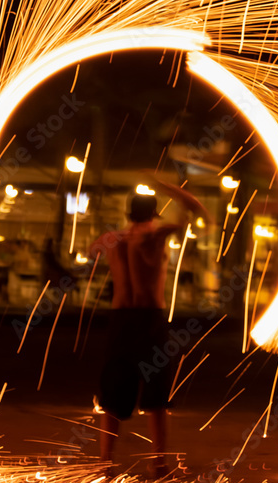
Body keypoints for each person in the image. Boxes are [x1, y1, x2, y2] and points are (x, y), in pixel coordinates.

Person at [88, 178, 211, 478]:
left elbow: (91, 253)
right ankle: (158, 462)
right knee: (157, 395)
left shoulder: (111, 239)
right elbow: (198, 210)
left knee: (113, 395)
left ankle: (105, 463)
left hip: (120, 321)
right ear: (153, 215)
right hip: (149, 320)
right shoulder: (158, 236)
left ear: (129, 214)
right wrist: (164, 184)